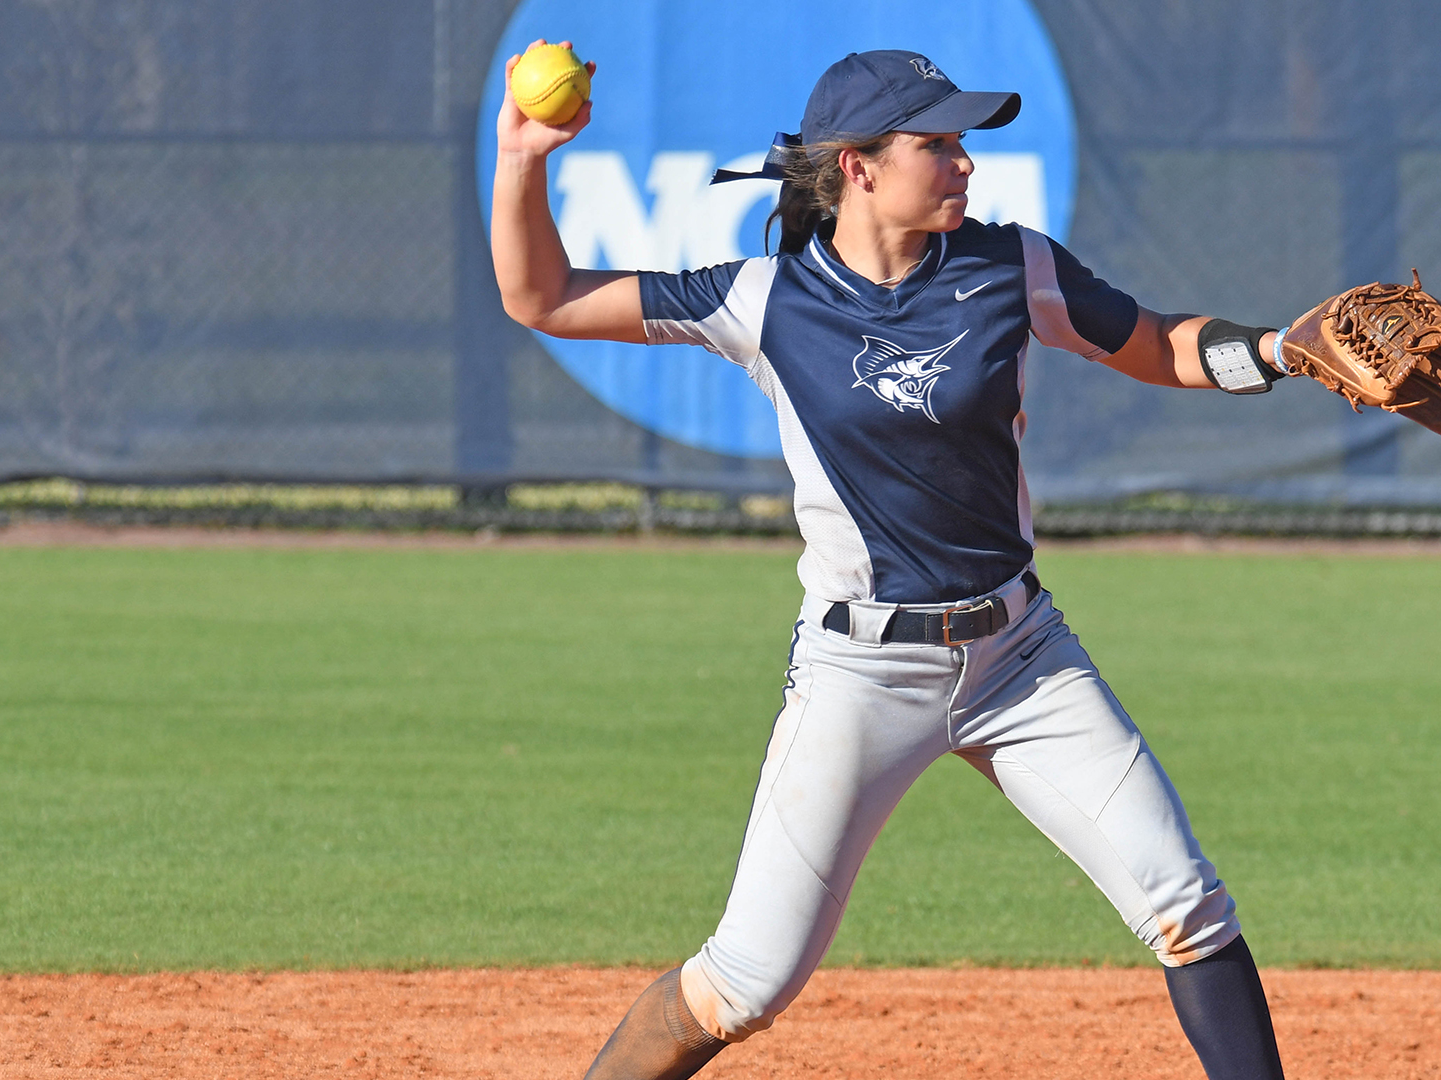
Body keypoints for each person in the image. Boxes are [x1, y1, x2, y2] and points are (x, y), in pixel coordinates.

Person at [492, 44, 1293, 1080]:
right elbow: (542, 298)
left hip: (1023, 660)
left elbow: (1162, 345)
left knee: (1187, 904)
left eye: (965, 142)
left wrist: (1277, 352)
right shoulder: (763, 301)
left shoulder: (1014, 268)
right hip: (859, 674)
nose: (966, 163)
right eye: (940, 142)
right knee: (742, 984)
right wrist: (522, 156)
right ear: (859, 166)